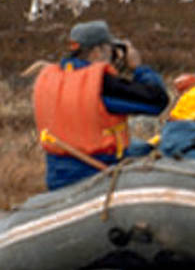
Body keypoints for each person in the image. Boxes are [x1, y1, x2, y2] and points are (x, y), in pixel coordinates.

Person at [32, 20, 169, 190]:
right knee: (160, 150)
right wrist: (139, 69)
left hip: (57, 175)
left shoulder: (48, 78)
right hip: (96, 173)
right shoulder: (100, 84)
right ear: (97, 52)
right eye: (109, 50)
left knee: (139, 147)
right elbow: (157, 101)